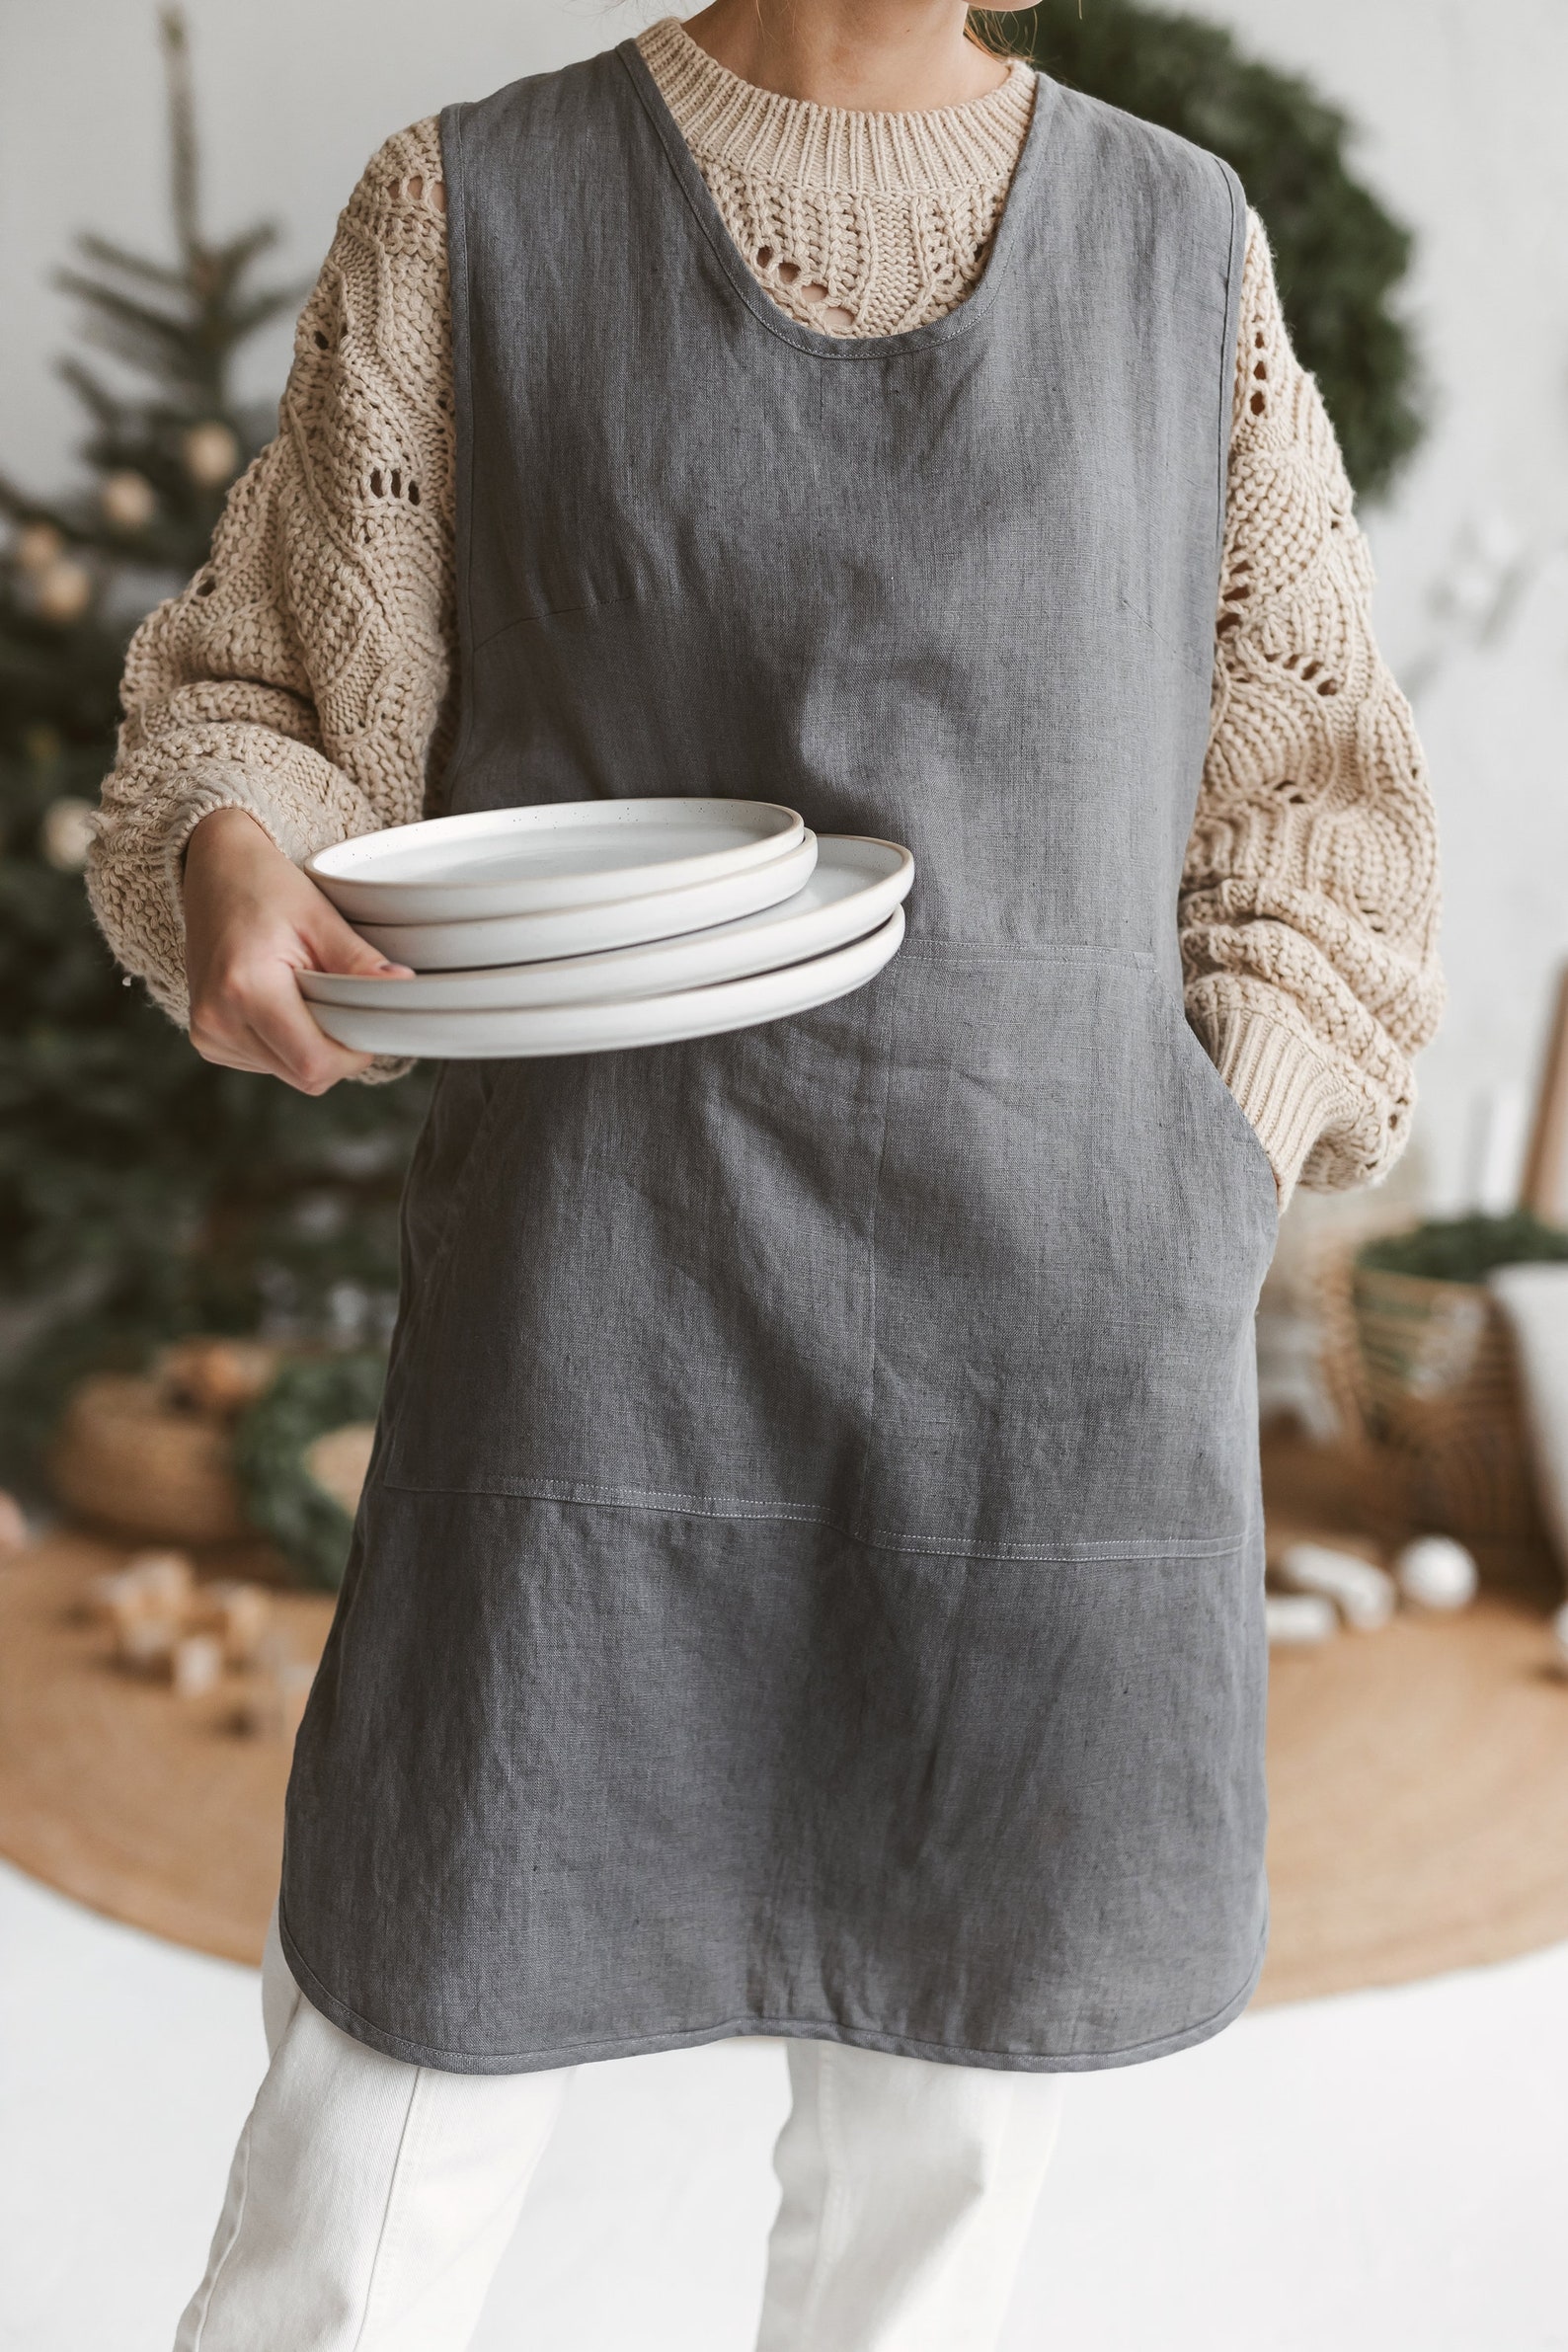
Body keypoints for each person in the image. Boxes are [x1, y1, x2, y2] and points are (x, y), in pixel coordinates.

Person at [89, 3, 1443, 2345]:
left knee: (927, 2197)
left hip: (1044, 1358)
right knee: (380, 2124)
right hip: (592, 1330)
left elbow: (1316, 797)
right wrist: (230, 848)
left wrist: (1199, 1162)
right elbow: (278, 702)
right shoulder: (474, 206)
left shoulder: (1171, 244)